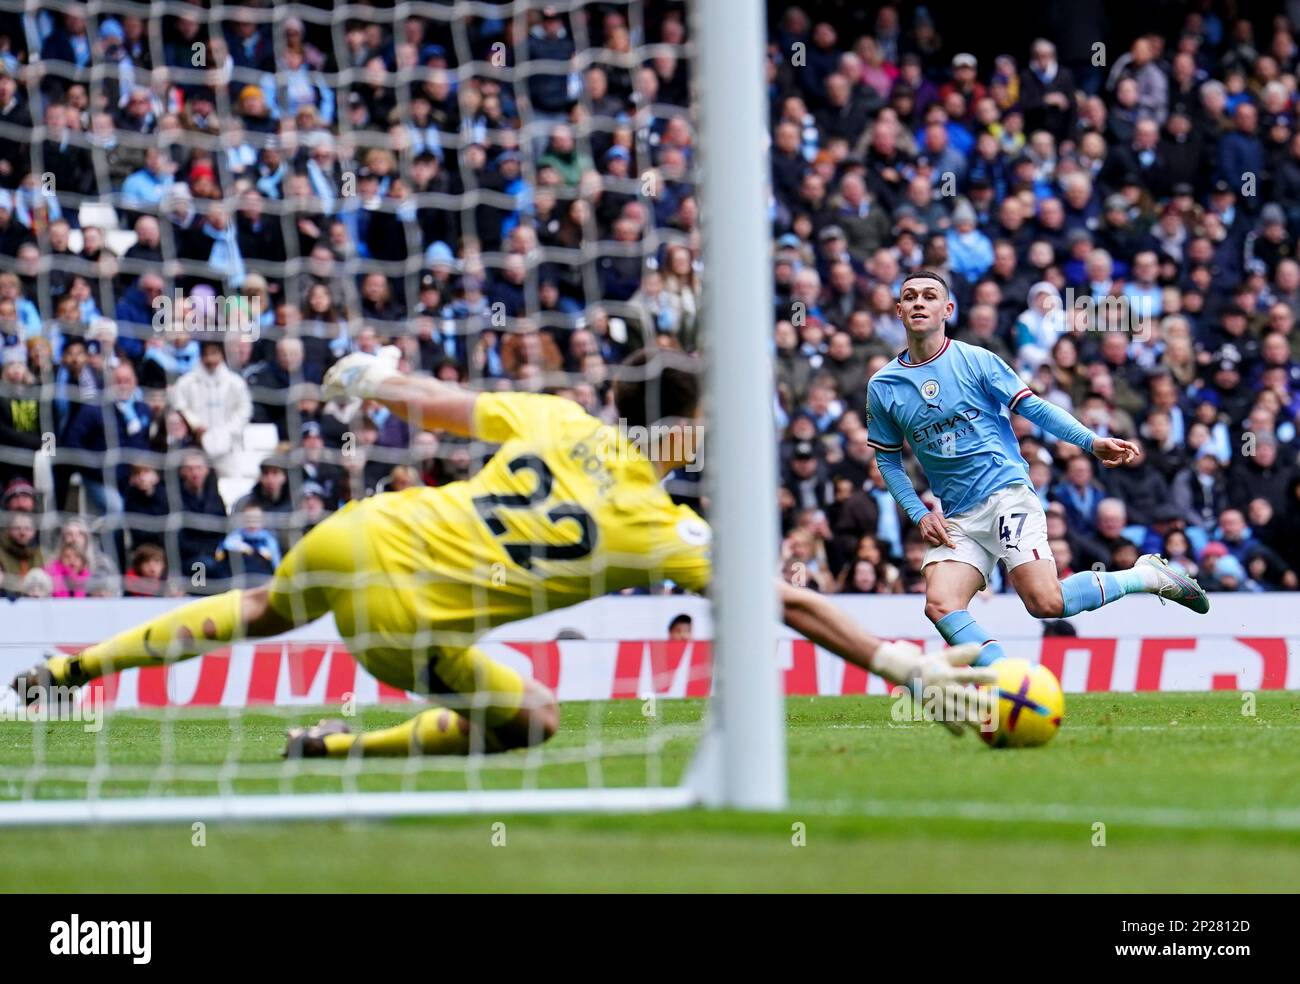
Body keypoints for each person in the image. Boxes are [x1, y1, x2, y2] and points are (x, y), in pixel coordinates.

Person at [14, 349, 994, 754]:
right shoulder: (664, 526)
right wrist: (903, 666)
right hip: (404, 618)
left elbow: (437, 406)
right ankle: (343, 746)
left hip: (366, 527)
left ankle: (70, 668)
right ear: (686, 437)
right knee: (532, 716)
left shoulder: (562, 416)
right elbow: (788, 604)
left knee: (264, 611)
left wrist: (374, 378)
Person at [865, 271, 1208, 668]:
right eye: (909, 297)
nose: (918, 303)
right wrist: (919, 512)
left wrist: (1091, 441)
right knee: (940, 605)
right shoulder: (883, 385)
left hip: (1005, 494)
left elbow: (1034, 407)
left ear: (948, 309)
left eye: (929, 296)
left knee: (1046, 602)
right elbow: (887, 459)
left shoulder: (976, 360)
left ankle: (1145, 577)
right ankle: (1006, 680)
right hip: (956, 514)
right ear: (899, 310)